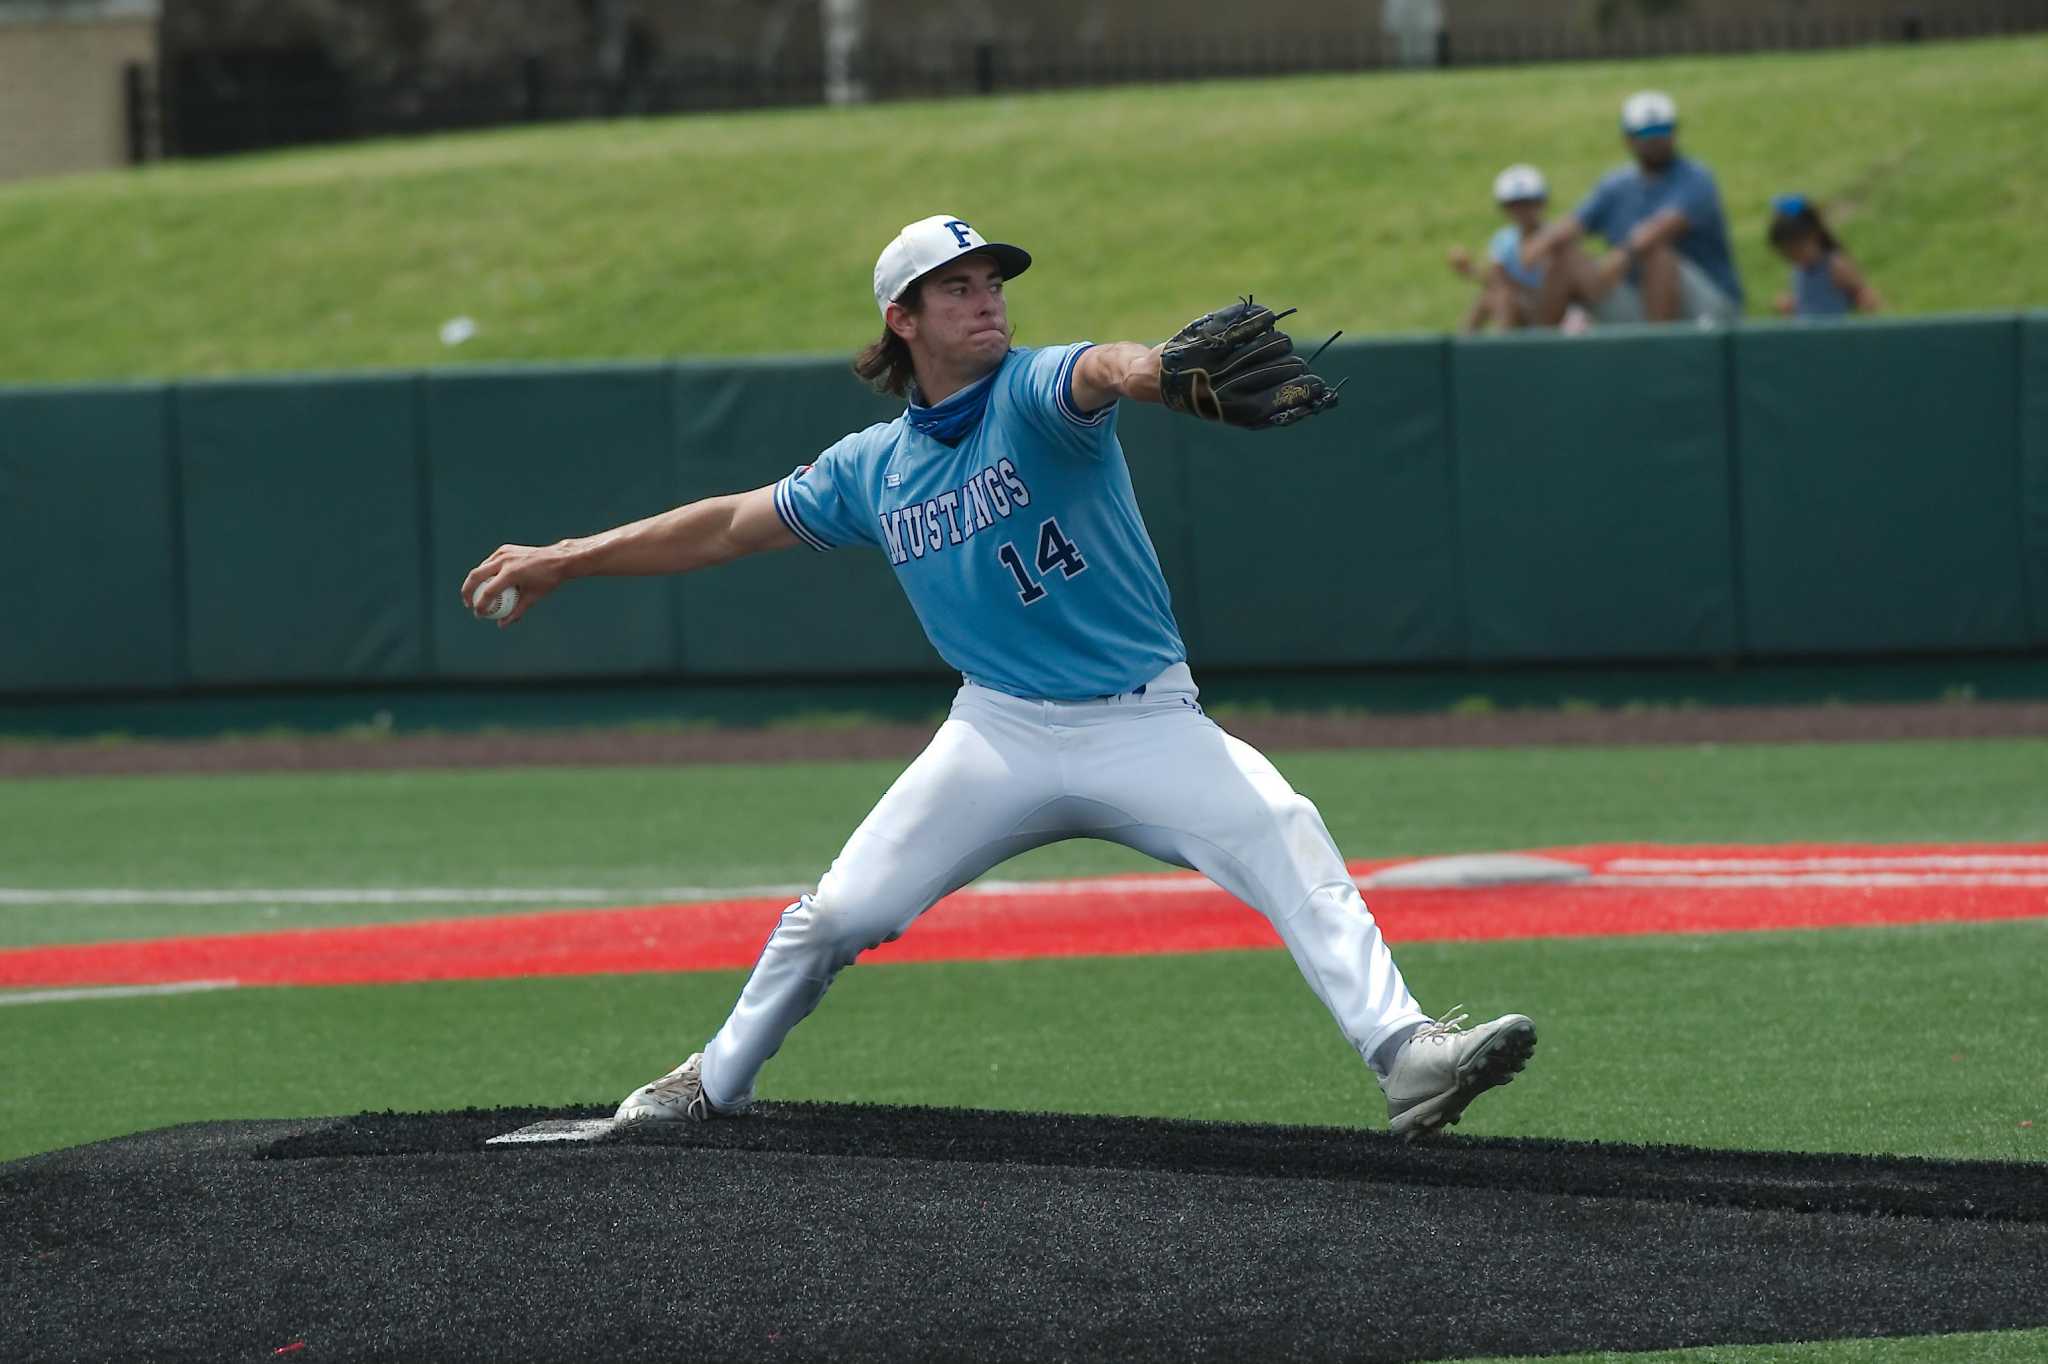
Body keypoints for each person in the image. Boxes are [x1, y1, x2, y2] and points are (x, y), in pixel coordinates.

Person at [460, 213, 1536, 1139]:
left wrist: (1157, 373)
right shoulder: (871, 467)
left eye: (992, 283)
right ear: (903, 318)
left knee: (1283, 826)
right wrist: (568, 557)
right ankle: (707, 1084)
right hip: (998, 734)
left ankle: (1406, 1053)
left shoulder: (1032, 391)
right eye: (957, 288)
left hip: (1146, 722)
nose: (987, 302)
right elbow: (730, 524)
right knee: (834, 916)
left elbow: (1103, 368)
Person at [1518, 90, 1744, 326]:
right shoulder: (1617, 185)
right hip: (1642, 302)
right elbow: (1574, 222)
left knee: (1658, 256)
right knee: (1565, 262)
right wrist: (1540, 245)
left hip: (1708, 305)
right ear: (1628, 139)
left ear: (1674, 133)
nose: (1655, 140)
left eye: (1662, 130)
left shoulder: (1697, 178)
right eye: (1645, 133)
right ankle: (1541, 345)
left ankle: (1659, 345)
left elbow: (1660, 229)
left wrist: (1621, 256)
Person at [1448, 164, 1553, 333]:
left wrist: (1475, 273)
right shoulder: (1504, 240)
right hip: (1518, 302)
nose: (1521, 211)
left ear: (1540, 203)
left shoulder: (1552, 238)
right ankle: (1463, 341)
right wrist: (1470, 271)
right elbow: (1497, 279)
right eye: (1514, 205)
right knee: (1489, 297)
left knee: (1503, 296)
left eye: (1527, 203)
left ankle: (1502, 343)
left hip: (1548, 305)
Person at [1768, 193, 1883, 318]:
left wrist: (1865, 299)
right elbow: (1809, 302)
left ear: (1815, 235)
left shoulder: (1836, 265)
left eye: (1798, 251)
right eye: (1788, 254)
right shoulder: (1798, 270)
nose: (1795, 258)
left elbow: (1864, 293)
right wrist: (1791, 305)